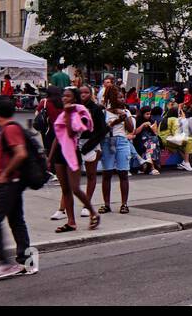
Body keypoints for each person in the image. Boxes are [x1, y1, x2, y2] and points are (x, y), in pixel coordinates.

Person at [0, 95, 35, 280]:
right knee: (16, 220)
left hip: (9, 182)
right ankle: (26, 261)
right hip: (13, 182)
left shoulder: (9, 129)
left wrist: (5, 173)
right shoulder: (10, 128)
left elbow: (20, 153)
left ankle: (5, 264)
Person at [47, 87, 98, 232]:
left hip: (72, 152)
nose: (64, 98)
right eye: (64, 96)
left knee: (75, 188)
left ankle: (93, 213)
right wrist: (49, 158)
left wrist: (68, 114)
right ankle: (71, 222)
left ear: (74, 99)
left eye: (68, 96)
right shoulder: (63, 113)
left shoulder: (78, 113)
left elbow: (70, 133)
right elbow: (57, 137)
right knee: (65, 190)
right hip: (59, 153)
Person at [99, 85, 134, 213]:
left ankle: (124, 204)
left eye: (123, 97)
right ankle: (106, 204)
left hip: (122, 142)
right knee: (107, 173)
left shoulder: (126, 111)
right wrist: (115, 121)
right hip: (107, 142)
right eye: (119, 97)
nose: (122, 99)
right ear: (111, 98)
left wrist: (124, 117)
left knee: (123, 173)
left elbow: (131, 129)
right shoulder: (104, 113)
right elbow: (102, 130)